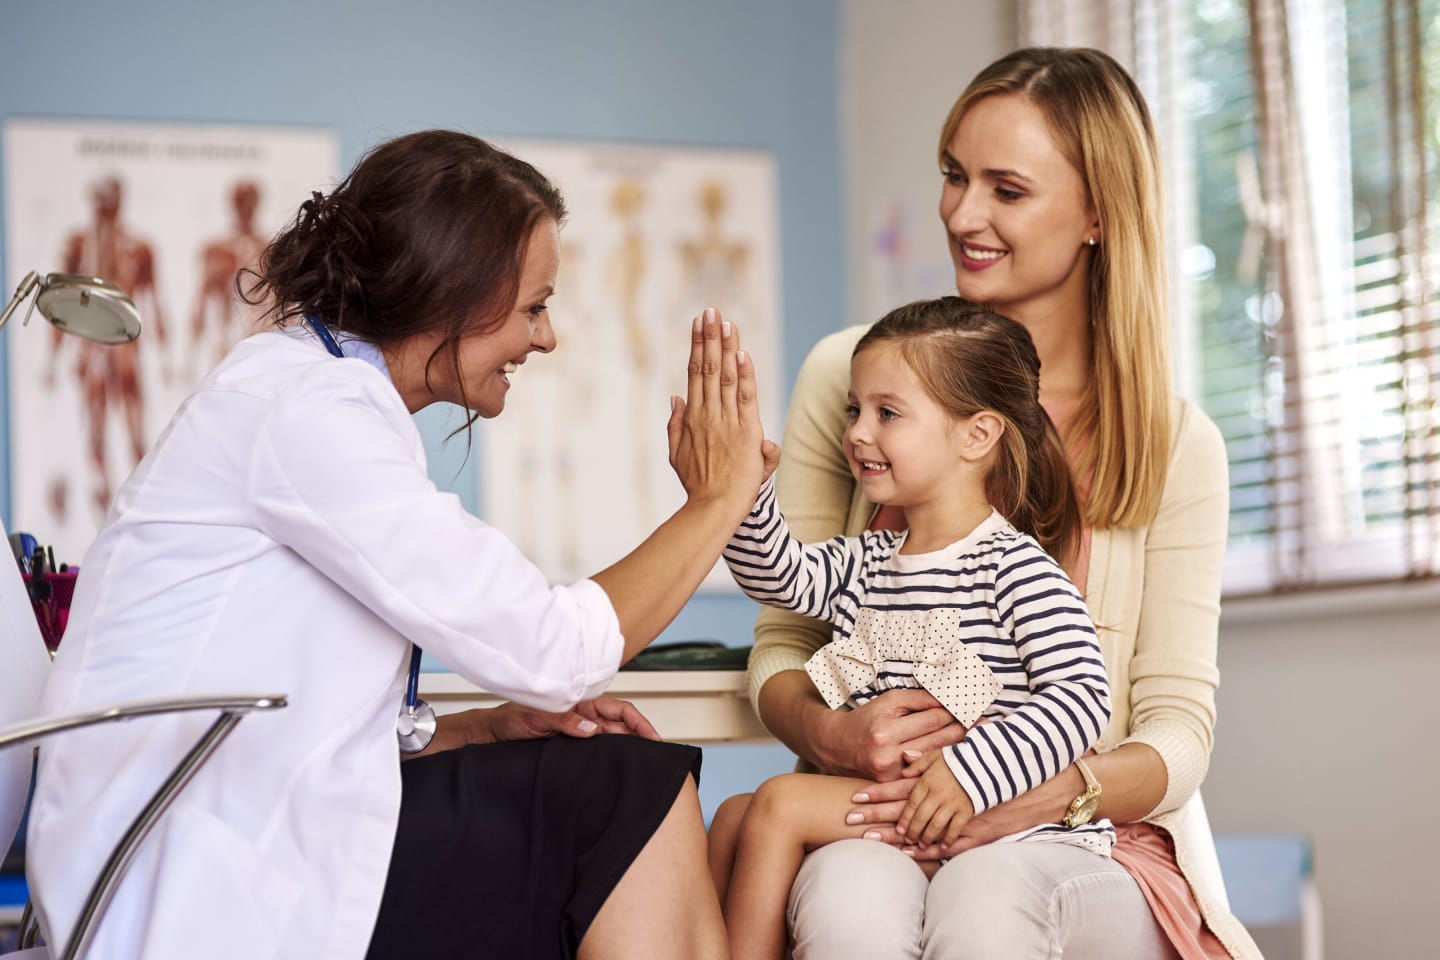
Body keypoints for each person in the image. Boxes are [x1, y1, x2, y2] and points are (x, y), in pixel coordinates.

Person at [27, 129, 776, 960]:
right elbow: (558, 649)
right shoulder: (309, 412)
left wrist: (479, 731)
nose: (546, 338)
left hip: (231, 834)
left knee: (609, 788)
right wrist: (719, 500)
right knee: (622, 793)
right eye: (534, 306)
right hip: (186, 891)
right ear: (453, 296)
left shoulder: (305, 394)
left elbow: (302, 715)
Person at [746, 48, 1263, 958]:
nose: (962, 213)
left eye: (1006, 189)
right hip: (881, 811)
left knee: (987, 895)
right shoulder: (852, 377)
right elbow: (785, 641)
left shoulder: (1176, 445)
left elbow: (1178, 733)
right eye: (953, 175)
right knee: (847, 900)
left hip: (1084, 834)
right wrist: (831, 732)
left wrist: (1047, 791)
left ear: (1098, 211)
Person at [708, 298, 1113, 960]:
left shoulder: (1014, 568)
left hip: (976, 812)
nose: (859, 433)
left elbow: (1081, 699)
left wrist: (967, 774)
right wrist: (740, 489)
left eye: (887, 414)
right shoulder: (866, 560)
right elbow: (776, 577)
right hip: (893, 798)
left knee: (778, 804)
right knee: (730, 819)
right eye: (854, 411)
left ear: (976, 436)